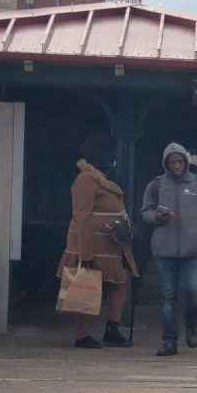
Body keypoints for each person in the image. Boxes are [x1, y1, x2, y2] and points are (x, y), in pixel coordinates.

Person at [58, 133, 138, 349]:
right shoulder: (85, 180)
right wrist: (85, 254)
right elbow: (82, 216)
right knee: (88, 282)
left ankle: (112, 328)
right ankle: (82, 335)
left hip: (112, 243)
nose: (113, 158)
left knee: (122, 279)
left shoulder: (102, 178)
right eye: (109, 154)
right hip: (93, 242)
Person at [141, 143, 197, 357]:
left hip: (192, 251)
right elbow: (144, 211)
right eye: (172, 162)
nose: (176, 165)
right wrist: (156, 217)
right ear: (166, 164)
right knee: (167, 296)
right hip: (164, 251)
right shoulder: (155, 186)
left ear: (185, 161)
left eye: (180, 161)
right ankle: (169, 341)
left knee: (193, 292)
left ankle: (192, 325)